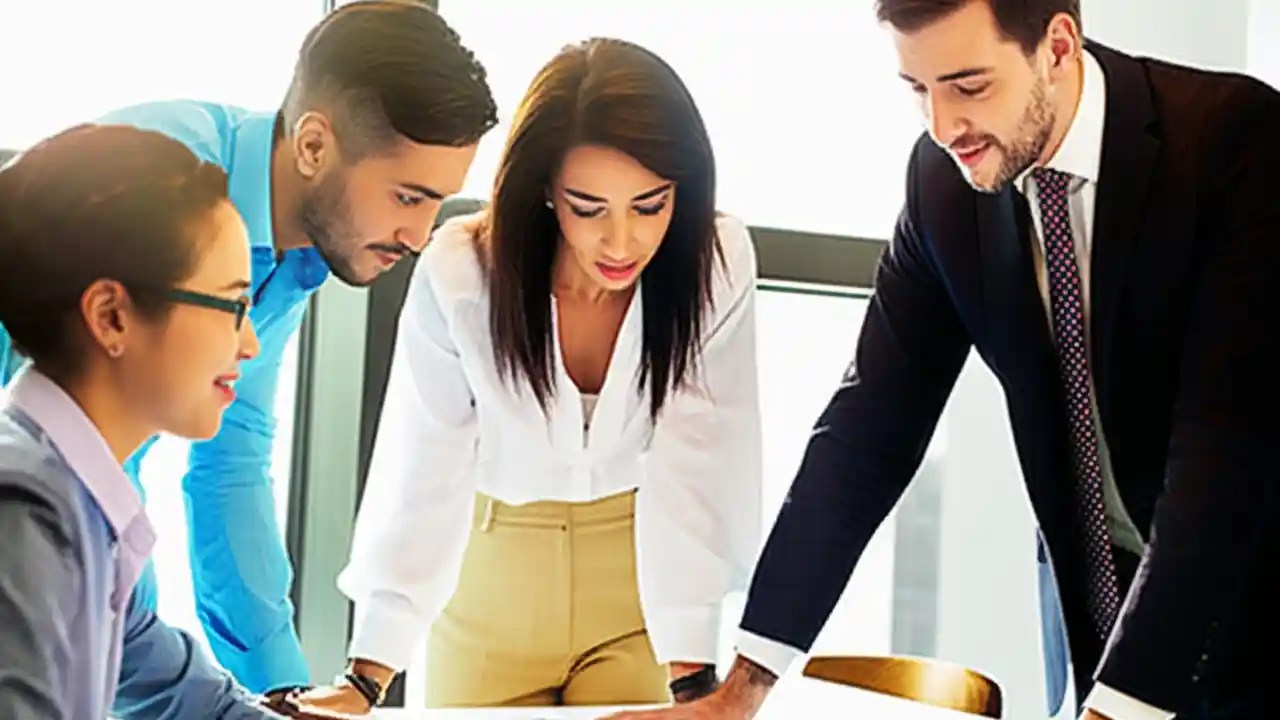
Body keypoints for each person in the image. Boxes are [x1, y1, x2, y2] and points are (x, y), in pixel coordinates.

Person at [609, 1, 1280, 719]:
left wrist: (1116, 711)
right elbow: (865, 436)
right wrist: (740, 693)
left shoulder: (1234, 140)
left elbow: (1222, 463)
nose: (942, 125)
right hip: (1098, 618)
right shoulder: (942, 184)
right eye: (918, 89)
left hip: (1254, 605)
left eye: (969, 86)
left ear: (1057, 47)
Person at [0, 0, 497, 703]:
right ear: (314, 146)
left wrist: (285, 694)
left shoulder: (298, 257)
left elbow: (229, 463)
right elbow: (76, 443)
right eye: (408, 198)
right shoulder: (166, 182)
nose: (419, 237)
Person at [290, 37, 763, 715]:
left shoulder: (715, 262)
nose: (621, 241)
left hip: (638, 597)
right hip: (487, 597)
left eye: (649, 205)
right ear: (544, 190)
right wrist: (365, 680)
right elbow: (424, 467)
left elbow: (704, 456)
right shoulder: (462, 270)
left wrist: (693, 677)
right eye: (588, 208)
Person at [0, 124, 280, 718]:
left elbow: (187, 694)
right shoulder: (24, 509)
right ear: (111, 317)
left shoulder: (78, 503)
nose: (250, 344)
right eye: (233, 307)